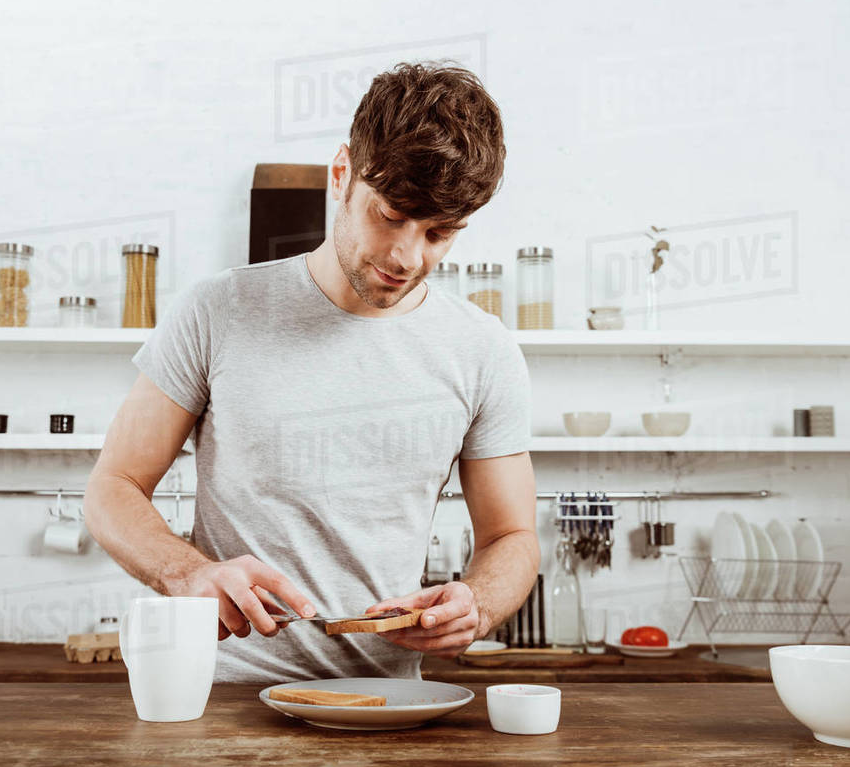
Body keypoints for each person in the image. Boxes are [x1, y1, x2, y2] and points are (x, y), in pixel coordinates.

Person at [85, 62, 539, 683]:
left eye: (439, 233)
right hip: (224, 697)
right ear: (342, 174)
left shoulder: (483, 350)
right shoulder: (218, 311)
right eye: (390, 216)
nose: (408, 256)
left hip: (385, 707)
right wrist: (187, 573)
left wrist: (478, 602)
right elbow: (112, 487)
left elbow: (512, 536)